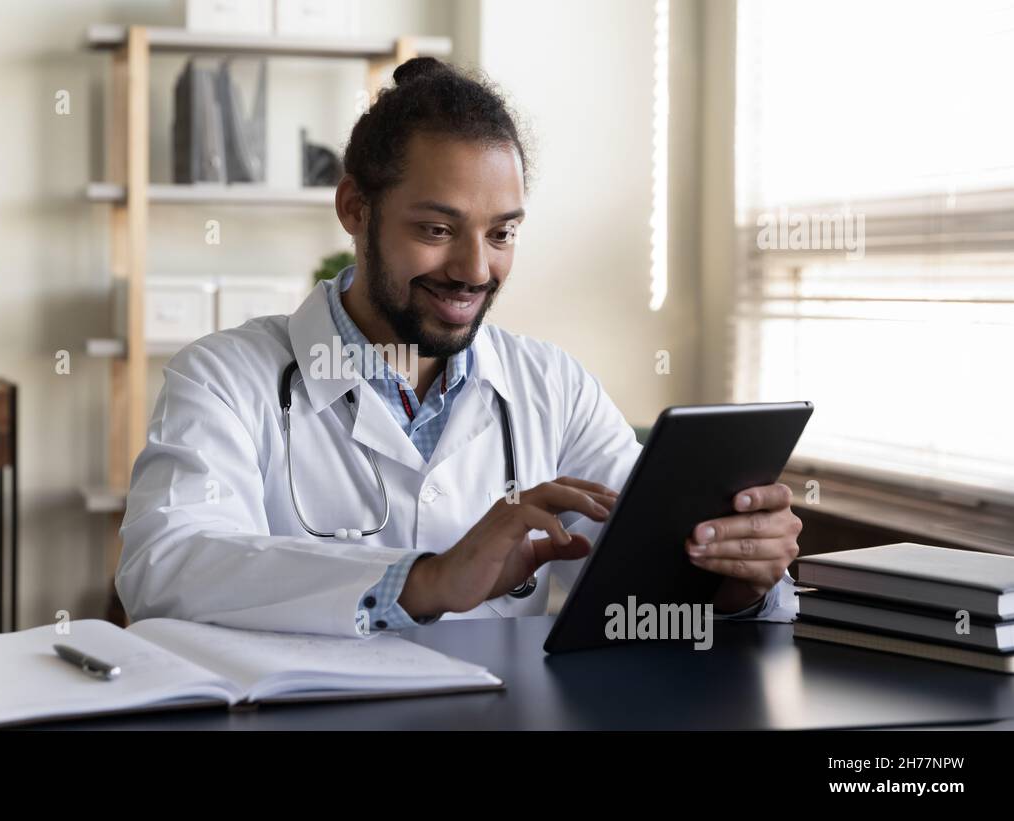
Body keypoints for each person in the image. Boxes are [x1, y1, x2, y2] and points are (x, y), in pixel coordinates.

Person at [117, 57, 799, 637]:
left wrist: (734, 577)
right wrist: (425, 580)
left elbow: (645, 581)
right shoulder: (226, 377)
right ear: (355, 208)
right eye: (439, 229)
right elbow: (167, 566)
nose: (475, 269)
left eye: (501, 234)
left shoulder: (550, 387)